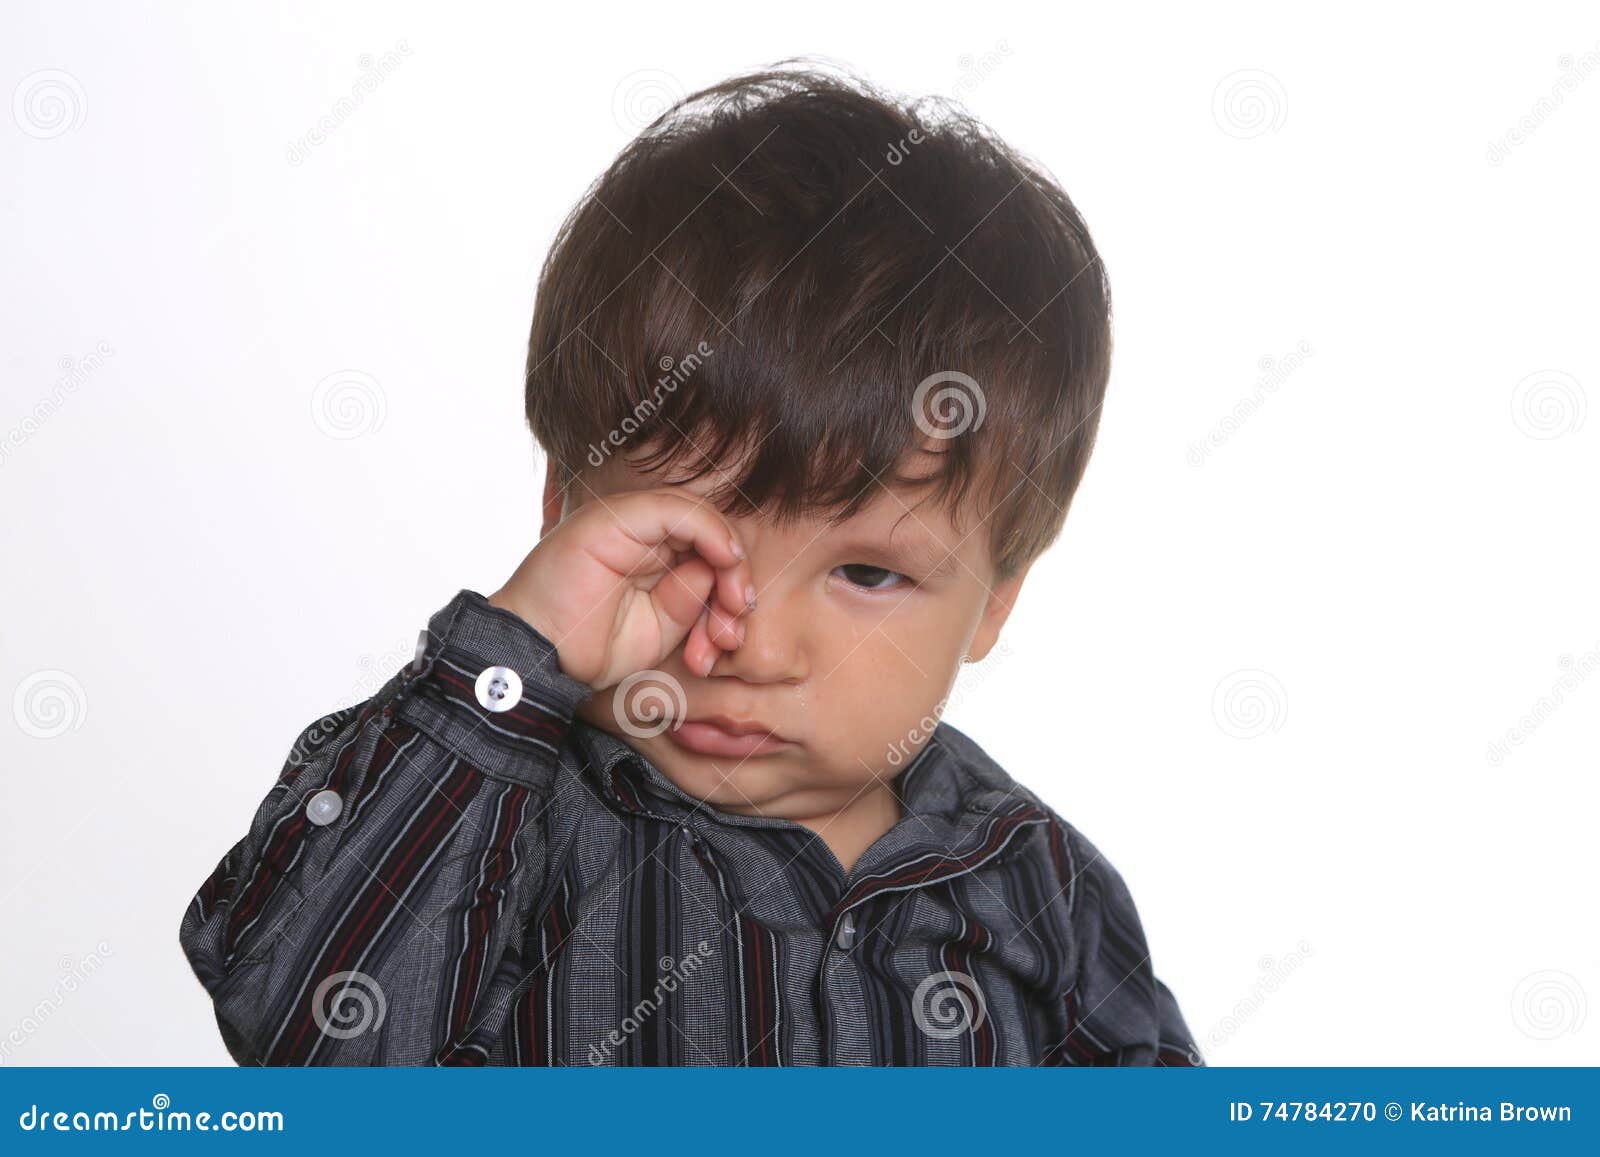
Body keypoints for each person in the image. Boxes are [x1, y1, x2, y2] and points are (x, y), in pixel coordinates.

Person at [179, 64, 1202, 1066]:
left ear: (995, 600)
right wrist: (512, 660)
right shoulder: (502, 820)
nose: (751, 644)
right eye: (682, 546)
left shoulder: (1040, 889)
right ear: (564, 514)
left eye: (867, 574)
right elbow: (306, 1034)